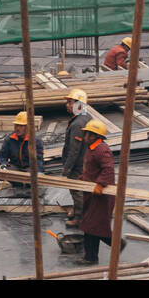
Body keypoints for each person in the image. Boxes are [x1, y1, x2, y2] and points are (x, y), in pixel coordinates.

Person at [79, 119, 125, 264]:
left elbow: (108, 169)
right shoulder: (91, 148)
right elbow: (91, 169)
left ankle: (93, 257)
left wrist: (100, 184)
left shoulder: (101, 149)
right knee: (91, 226)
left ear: (94, 135)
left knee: (93, 226)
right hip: (92, 193)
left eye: (87, 133)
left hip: (102, 195)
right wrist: (83, 178)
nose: (84, 135)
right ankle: (92, 256)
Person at [61, 89, 92, 226]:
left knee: (76, 191)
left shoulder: (78, 124)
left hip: (77, 165)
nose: (67, 105)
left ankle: (79, 218)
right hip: (85, 162)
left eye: (70, 102)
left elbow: (74, 150)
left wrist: (67, 169)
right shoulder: (86, 118)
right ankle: (77, 210)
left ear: (79, 105)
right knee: (81, 191)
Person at [0, 111, 45, 177]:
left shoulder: (36, 141)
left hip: (29, 169)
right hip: (15, 168)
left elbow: (39, 160)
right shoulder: (9, 139)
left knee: (32, 176)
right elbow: (2, 157)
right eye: (16, 125)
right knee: (4, 173)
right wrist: (3, 164)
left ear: (28, 127)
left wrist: (38, 172)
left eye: (21, 126)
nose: (17, 128)